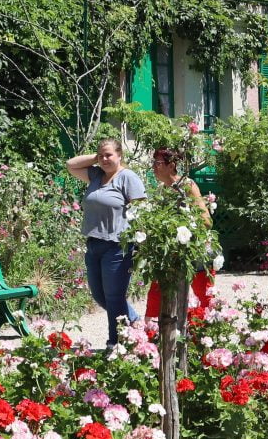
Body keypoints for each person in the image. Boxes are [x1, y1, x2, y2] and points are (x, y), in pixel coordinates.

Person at [66, 139, 146, 347]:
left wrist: (141, 245)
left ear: (120, 155)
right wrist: (97, 158)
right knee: (99, 295)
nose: (104, 159)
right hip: (94, 244)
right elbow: (70, 165)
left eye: (109, 155)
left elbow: (142, 211)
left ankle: (115, 343)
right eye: (101, 155)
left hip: (118, 245)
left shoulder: (127, 177)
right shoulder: (95, 175)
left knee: (114, 296)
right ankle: (134, 322)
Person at [143, 147, 213, 320]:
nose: (154, 167)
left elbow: (206, 221)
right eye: (153, 162)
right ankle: (150, 331)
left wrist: (182, 229)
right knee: (156, 293)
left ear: (171, 165)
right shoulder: (161, 189)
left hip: (194, 249)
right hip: (168, 252)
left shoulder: (187, 185)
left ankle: (209, 328)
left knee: (204, 294)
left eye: (158, 163)